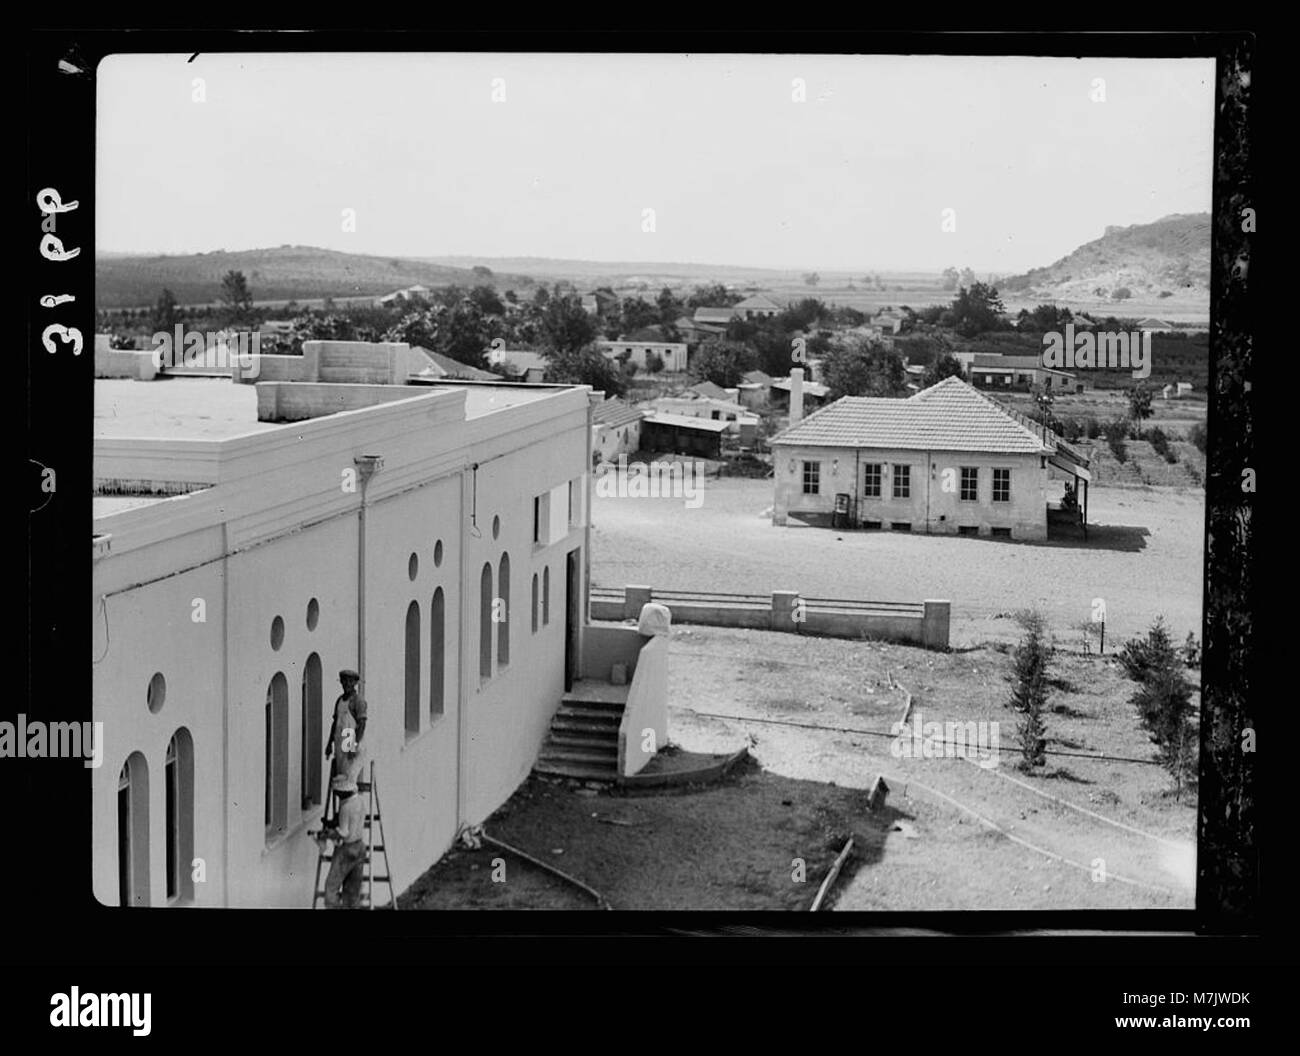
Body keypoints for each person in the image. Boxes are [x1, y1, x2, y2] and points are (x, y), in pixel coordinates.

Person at [320, 749, 368, 909]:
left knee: (331, 888)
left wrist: (329, 833)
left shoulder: (346, 807)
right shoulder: (360, 801)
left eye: (338, 793)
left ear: (342, 792)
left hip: (347, 849)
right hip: (360, 846)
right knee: (352, 893)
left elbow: (344, 832)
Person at [324, 669, 367, 819]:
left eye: (350, 681)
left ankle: (350, 816)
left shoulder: (358, 701)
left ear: (355, 683)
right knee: (341, 781)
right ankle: (342, 815)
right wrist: (329, 744)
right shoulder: (340, 700)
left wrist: (353, 745)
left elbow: (361, 724)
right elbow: (335, 723)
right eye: (344, 681)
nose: (347, 684)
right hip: (340, 741)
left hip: (349, 740)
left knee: (348, 781)